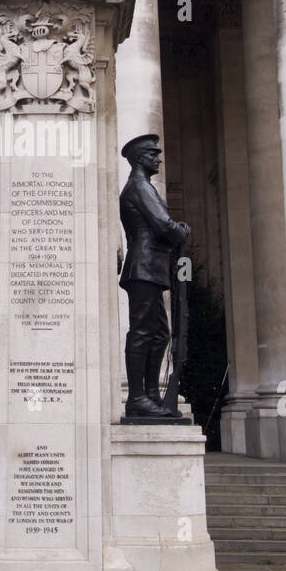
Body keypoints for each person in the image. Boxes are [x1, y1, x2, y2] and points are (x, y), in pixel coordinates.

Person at [119, 134, 190, 418]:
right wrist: (180, 231)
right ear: (139, 158)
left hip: (151, 269)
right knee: (143, 331)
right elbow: (163, 225)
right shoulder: (139, 186)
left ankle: (149, 395)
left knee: (159, 333)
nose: (158, 158)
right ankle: (137, 397)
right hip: (143, 268)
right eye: (153, 154)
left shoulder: (143, 186)